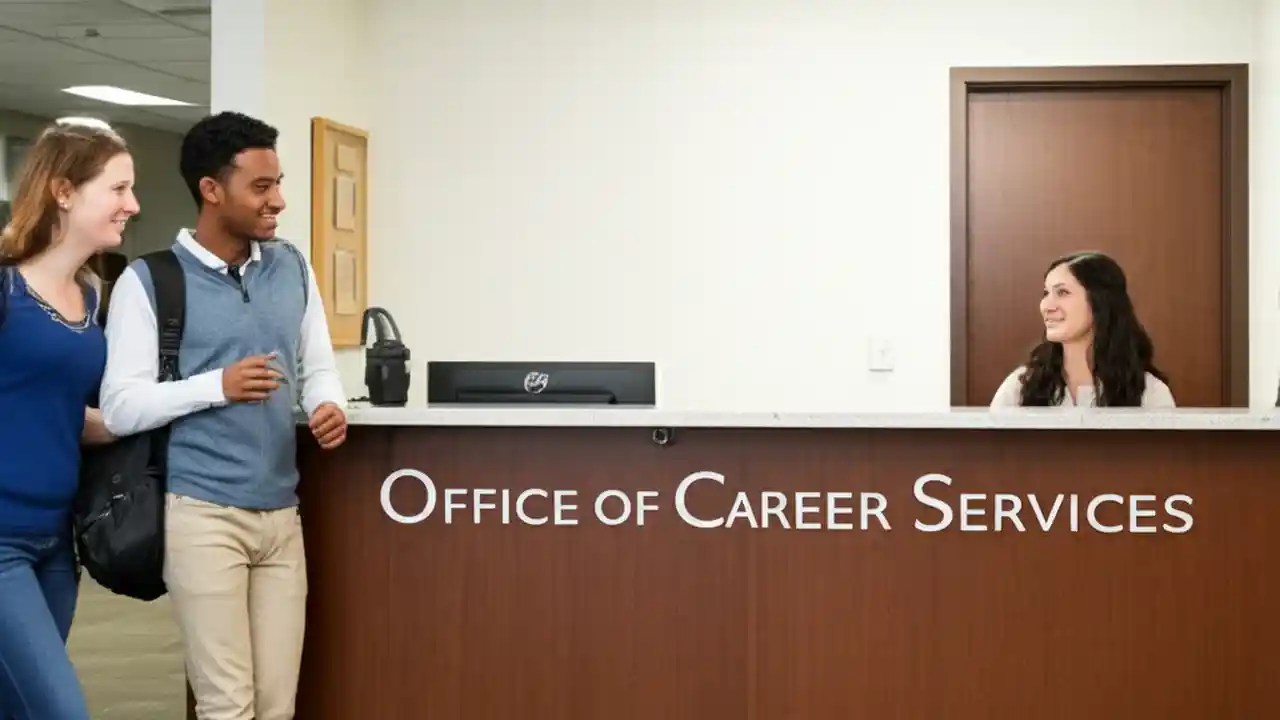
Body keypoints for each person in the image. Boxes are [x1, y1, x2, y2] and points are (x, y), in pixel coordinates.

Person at [99, 111, 348, 720]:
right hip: (202, 514)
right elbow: (121, 405)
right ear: (212, 191)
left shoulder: (291, 266)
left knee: (275, 704)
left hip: (281, 515)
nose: (279, 201)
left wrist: (327, 405)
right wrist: (217, 386)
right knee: (227, 705)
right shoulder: (149, 280)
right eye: (261, 188)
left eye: (278, 183)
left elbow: (316, 364)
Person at [0, 121, 137, 718]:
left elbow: (72, 417)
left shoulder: (91, 294)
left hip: (56, 542)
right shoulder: (6, 288)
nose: (132, 205)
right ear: (62, 190)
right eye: (118, 188)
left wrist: (193, 400)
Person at [990, 251, 1175, 408]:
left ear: (1100, 302)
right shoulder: (1020, 387)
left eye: (1062, 292)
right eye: (1046, 293)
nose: (1046, 306)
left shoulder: (1150, 393)